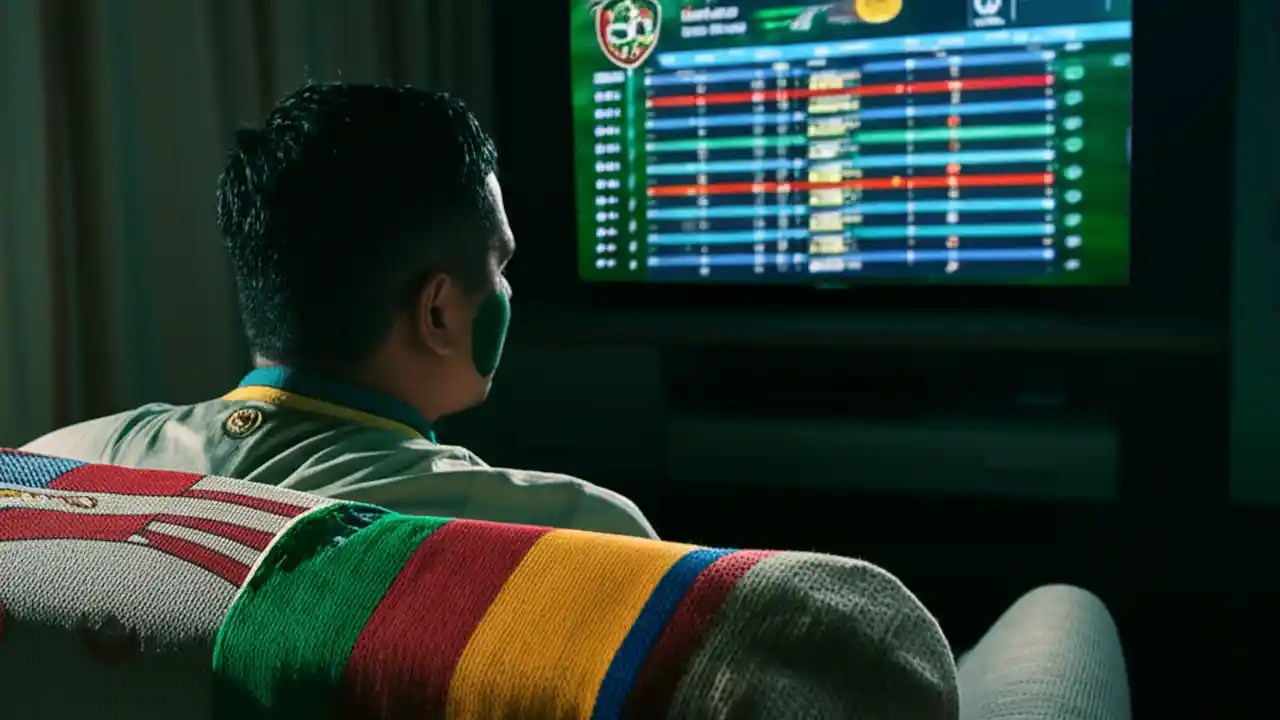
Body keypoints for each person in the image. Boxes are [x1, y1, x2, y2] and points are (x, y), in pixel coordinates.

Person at [21, 83, 655, 539]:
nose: (506, 292)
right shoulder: (580, 533)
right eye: (502, 268)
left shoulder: (47, 472)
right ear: (436, 312)